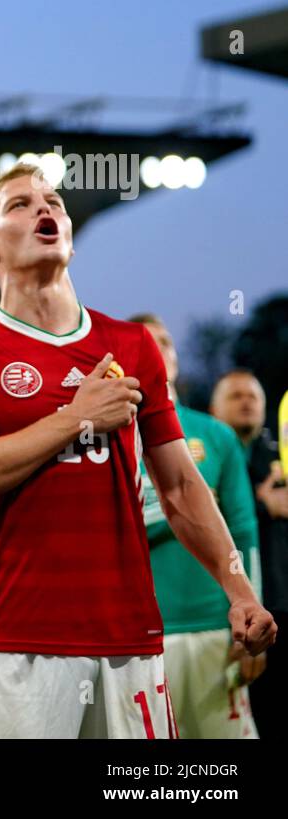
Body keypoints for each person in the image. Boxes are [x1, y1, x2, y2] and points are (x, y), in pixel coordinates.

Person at [0, 163, 276, 738]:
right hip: (18, 638)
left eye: (53, 202)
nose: (45, 209)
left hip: (130, 638)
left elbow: (183, 486)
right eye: (19, 204)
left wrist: (239, 591)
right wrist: (76, 417)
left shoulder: (131, 346)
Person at [130, 315, 260, 737]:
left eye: (166, 341)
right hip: (138, 638)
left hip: (215, 630)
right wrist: (186, 509)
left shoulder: (216, 436)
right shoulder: (107, 438)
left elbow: (244, 535)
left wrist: (251, 622)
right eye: (146, 342)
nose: (159, 348)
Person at [212, 369, 288, 737]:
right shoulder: (204, 455)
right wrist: (263, 506)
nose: (246, 402)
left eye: (253, 396)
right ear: (214, 409)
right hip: (229, 611)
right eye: (235, 395)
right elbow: (201, 521)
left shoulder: (279, 455)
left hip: (281, 601)